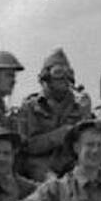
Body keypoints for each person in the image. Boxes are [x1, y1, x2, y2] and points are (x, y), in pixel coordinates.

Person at [14, 47, 92, 182]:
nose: (64, 77)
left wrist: (86, 117)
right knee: (53, 185)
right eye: (58, 72)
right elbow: (28, 146)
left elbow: (90, 143)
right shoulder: (31, 107)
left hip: (71, 163)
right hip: (40, 165)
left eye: (67, 72)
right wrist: (60, 135)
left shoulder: (79, 105)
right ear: (46, 77)